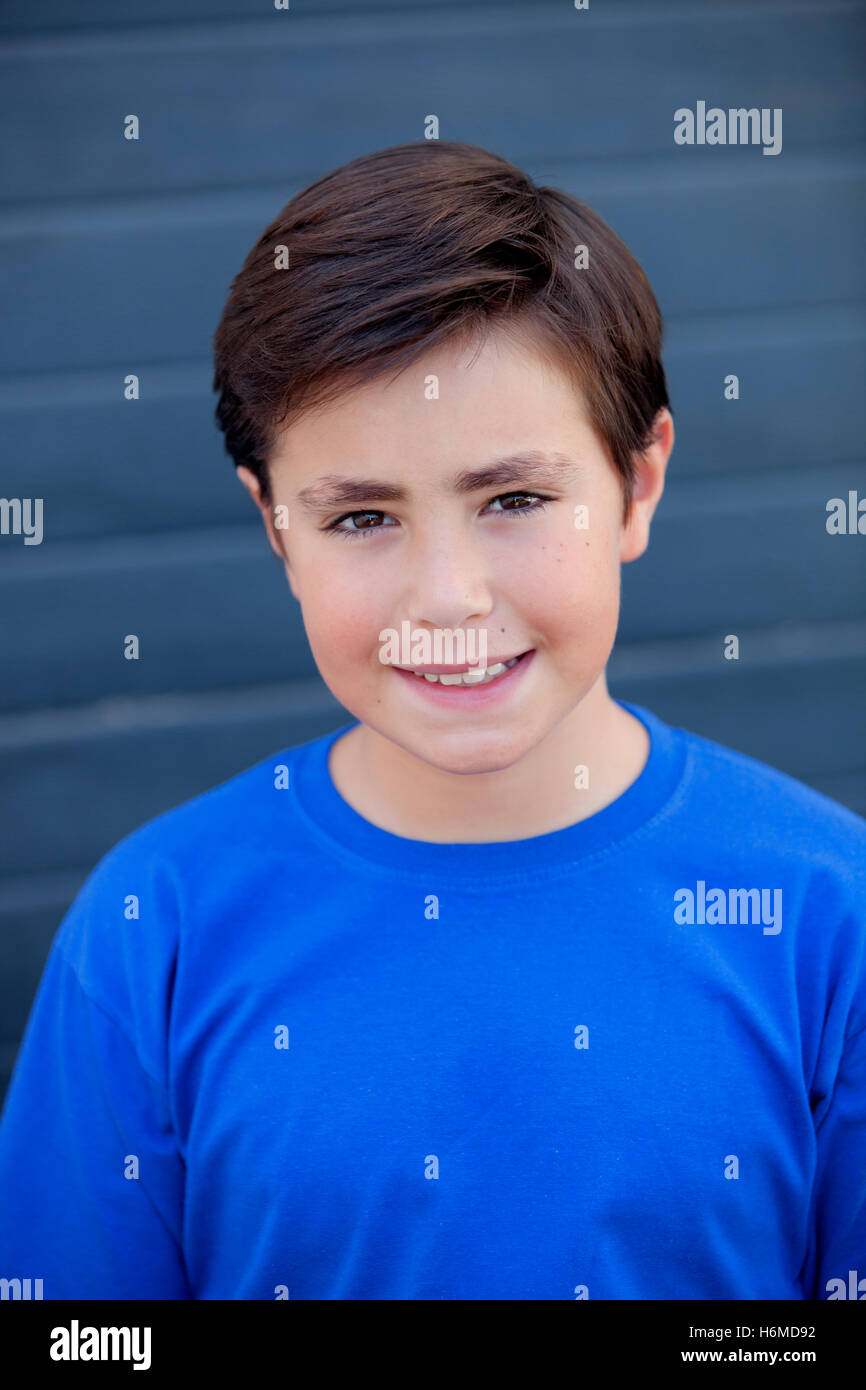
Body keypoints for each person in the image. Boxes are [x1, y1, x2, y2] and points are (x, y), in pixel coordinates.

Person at [0, 141, 863, 1301]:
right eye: (360, 516)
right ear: (272, 525)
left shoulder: (826, 914)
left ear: (637, 483)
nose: (448, 596)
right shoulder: (153, 928)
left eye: (513, 499)